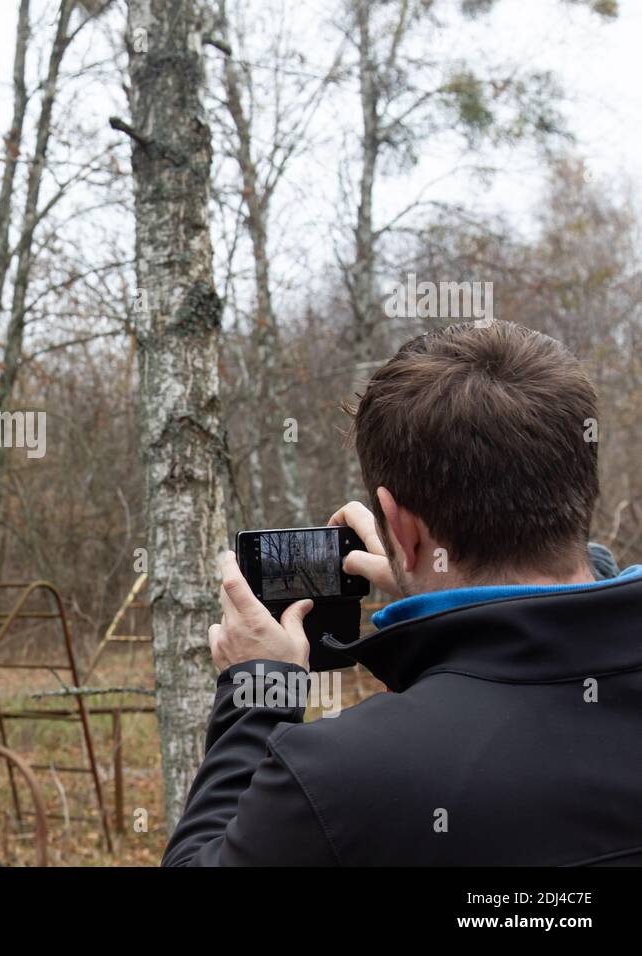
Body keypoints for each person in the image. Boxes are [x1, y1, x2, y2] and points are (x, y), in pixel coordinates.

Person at [163, 320, 642, 866]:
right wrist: (440, 611)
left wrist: (256, 692)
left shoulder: (339, 780)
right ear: (583, 485)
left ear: (398, 526)